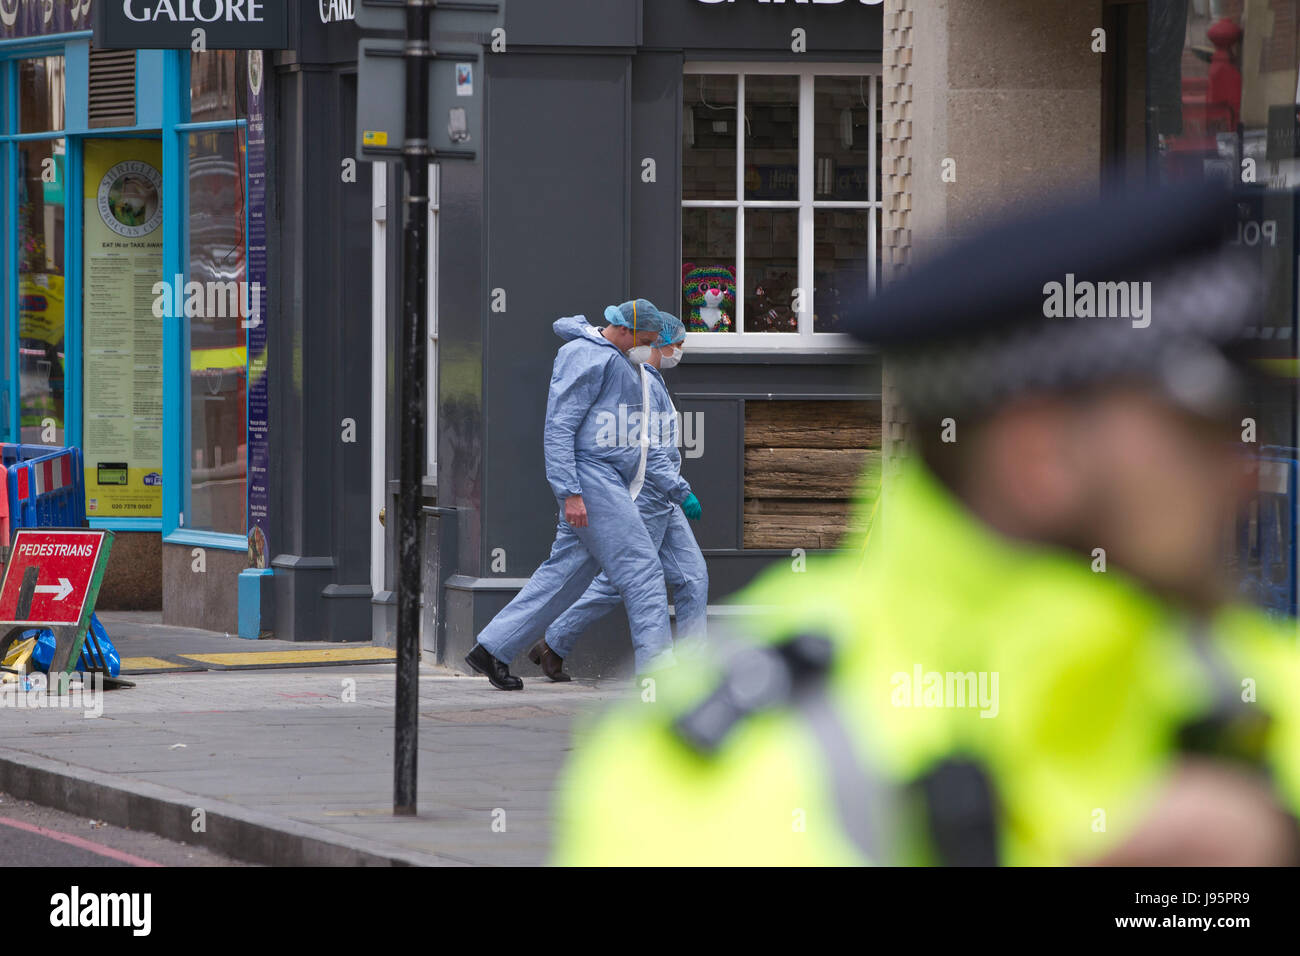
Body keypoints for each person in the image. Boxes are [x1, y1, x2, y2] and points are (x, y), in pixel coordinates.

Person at [552, 185, 1300, 865]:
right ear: (1039, 454)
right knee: (634, 582)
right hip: (615, 495)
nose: (1248, 467)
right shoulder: (717, 756)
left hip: (649, 496)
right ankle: (541, 643)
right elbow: (574, 431)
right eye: (1199, 430)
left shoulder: (1274, 688)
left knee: (665, 580)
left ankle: (541, 642)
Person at [465, 299, 677, 690]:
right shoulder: (585, 355)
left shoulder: (608, 355)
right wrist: (571, 492)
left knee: (564, 575)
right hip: (594, 480)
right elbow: (559, 427)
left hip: (600, 481)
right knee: (644, 571)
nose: (647, 349)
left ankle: (491, 648)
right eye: (645, 340)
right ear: (626, 331)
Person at [529, 313, 709, 682]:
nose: (679, 352)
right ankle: (556, 641)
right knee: (627, 579)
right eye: (677, 345)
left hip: (663, 496)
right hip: (649, 495)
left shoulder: (651, 379)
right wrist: (682, 489)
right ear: (658, 344)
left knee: (690, 577)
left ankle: (690, 669)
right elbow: (649, 449)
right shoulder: (643, 383)